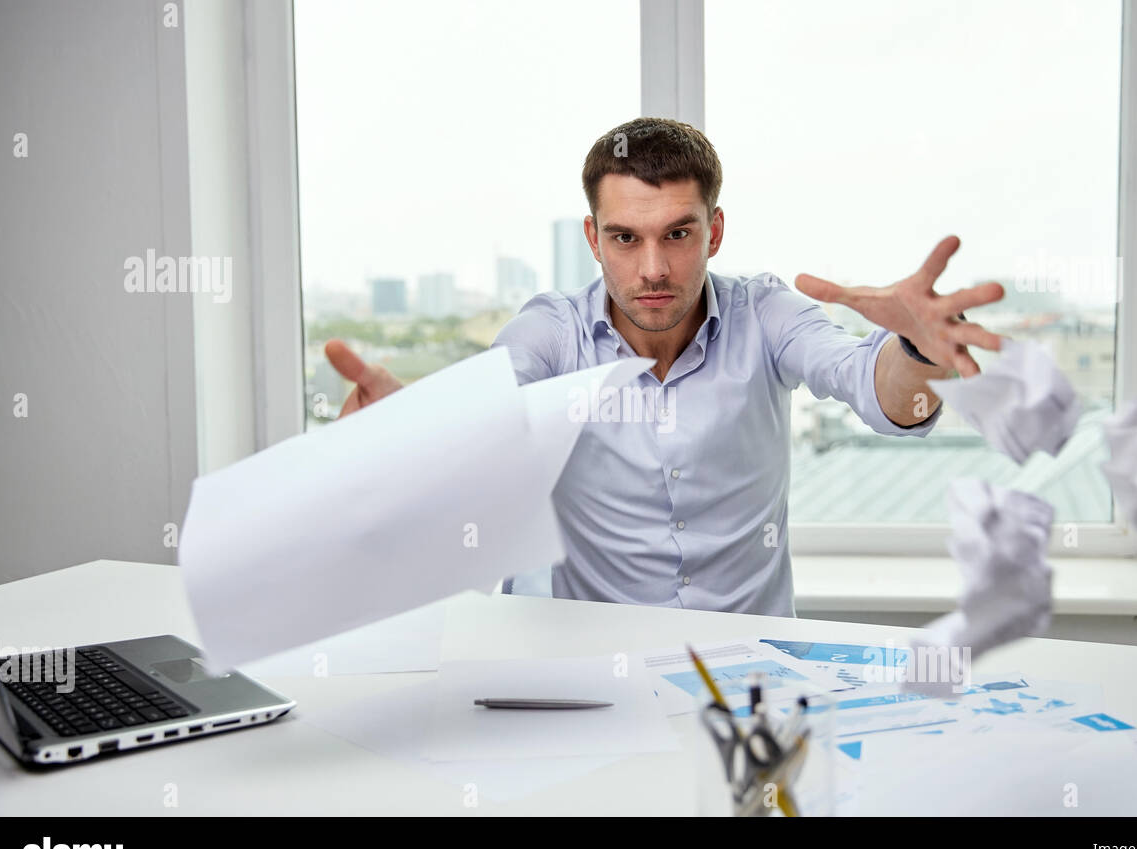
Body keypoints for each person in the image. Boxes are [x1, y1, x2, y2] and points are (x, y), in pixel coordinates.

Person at [326, 117, 1005, 617]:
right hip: (589, 679)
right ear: (594, 239)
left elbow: (873, 387)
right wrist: (410, 426)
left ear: (713, 231)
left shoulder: (765, 312)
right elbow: (484, 414)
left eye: (677, 234)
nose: (652, 268)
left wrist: (916, 351)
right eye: (625, 237)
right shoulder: (553, 332)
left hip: (750, 681)